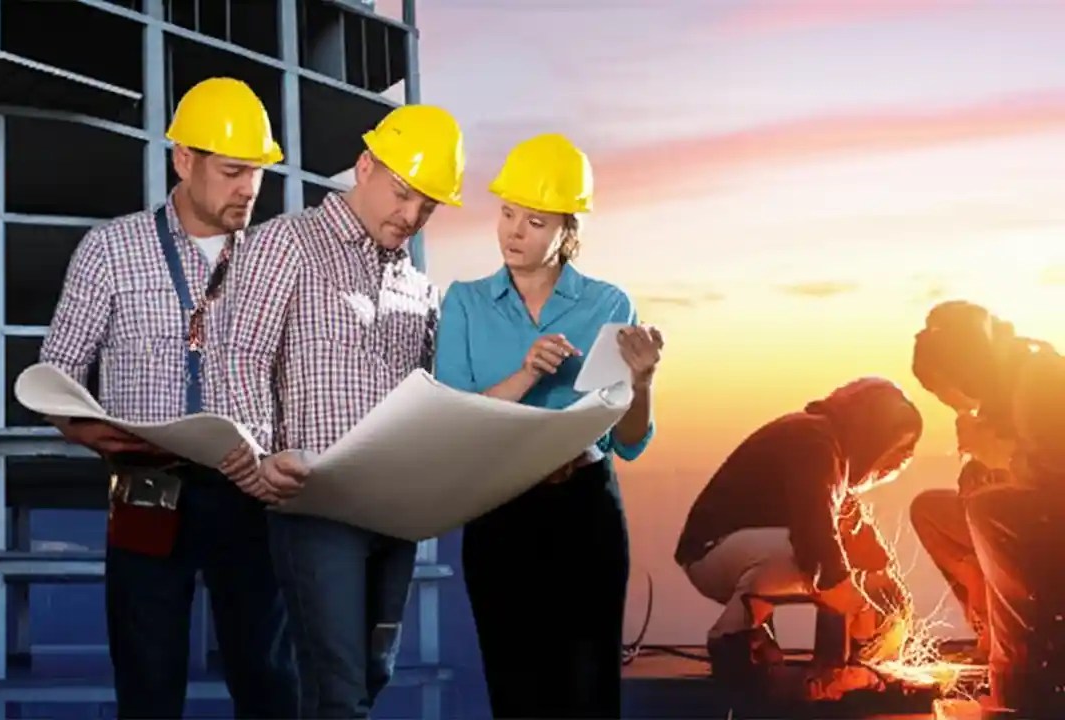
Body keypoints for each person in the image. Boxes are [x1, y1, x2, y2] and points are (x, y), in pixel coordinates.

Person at [39, 77, 299, 719]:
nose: (249, 189)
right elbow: (58, 373)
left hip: (251, 493)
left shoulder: (275, 258)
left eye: (258, 173)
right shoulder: (109, 251)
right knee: (148, 680)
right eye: (234, 170)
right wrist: (87, 432)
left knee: (268, 677)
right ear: (184, 160)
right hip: (145, 489)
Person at [222, 103, 464, 718]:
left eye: (428, 207)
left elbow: (428, 399)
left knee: (373, 672)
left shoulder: (419, 288)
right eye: (404, 194)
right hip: (317, 506)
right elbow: (241, 357)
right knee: (339, 690)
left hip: (396, 513)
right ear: (364, 166)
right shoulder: (287, 244)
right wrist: (258, 453)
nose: (411, 216)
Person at [431, 132, 660, 719]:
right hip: (501, 507)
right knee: (516, 693)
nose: (513, 232)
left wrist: (643, 383)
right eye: (507, 214)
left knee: (588, 694)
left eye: (534, 221)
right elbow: (454, 419)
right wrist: (526, 371)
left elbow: (627, 443)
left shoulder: (609, 305)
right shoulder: (464, 302)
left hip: (585, 511)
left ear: (567, 229)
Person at [674, 377, 920, 702]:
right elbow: (817, 541)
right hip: (709, 554)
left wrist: (891, 605)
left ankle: (815, 659)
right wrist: (859, 608)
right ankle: (732, 635)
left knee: (837, 567)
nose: (897, 463)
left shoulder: (833, 454)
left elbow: (864, 550)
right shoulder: (814, 442)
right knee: (811, 559)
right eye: (897, 450)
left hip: (742, 551)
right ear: (875, 430)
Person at [911, 300, 1065, 715]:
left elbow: (1054, 476)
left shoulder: (1042, 380)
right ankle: (989, 632)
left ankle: (1023, 668)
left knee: (992, 510)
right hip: (1039, 524)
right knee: (936, 508)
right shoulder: (1007, 391)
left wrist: (998, 457)